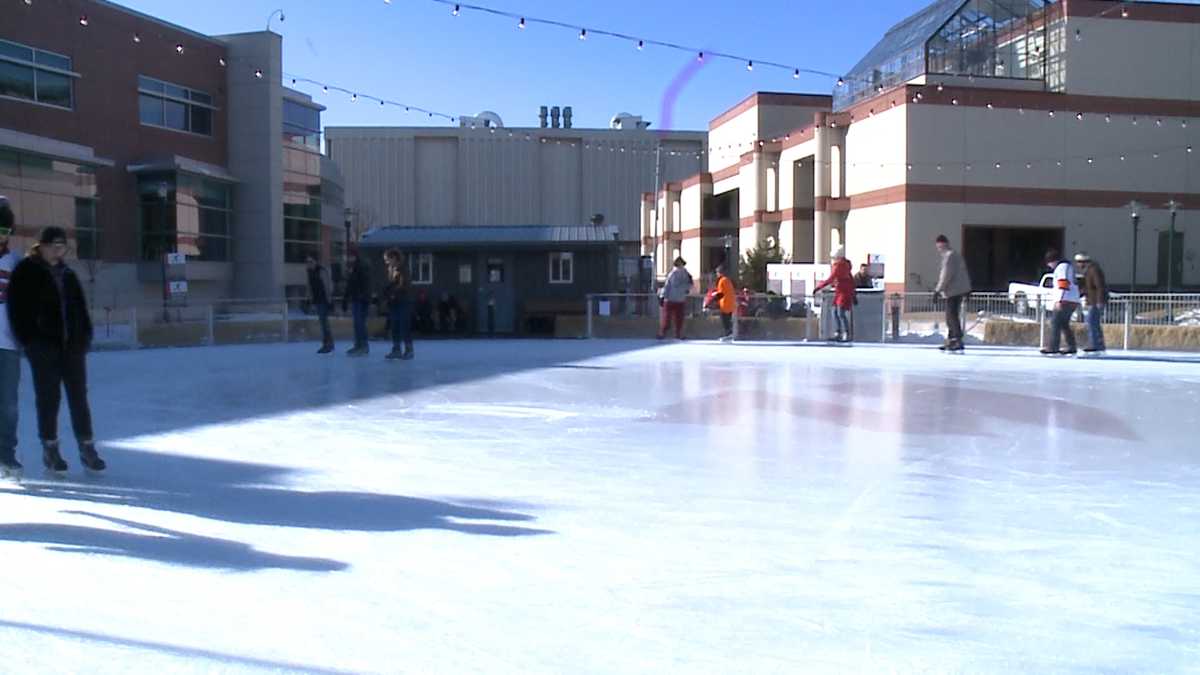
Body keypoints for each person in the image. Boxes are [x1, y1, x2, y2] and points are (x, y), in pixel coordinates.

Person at [6, 226, 105, 473]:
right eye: (54, 245)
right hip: (43, 348)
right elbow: (17, 310)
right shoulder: (26, 271)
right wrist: (31, 341)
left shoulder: (68, 274)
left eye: (62, 246)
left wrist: (83, 338)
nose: (58, 250)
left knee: (78, 397)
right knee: (49, 398)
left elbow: (80, 310)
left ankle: (87, 447)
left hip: (71, 347)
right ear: (42, 246)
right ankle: (50, 449)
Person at [0, 197, 22, 477]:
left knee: (8, 403)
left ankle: (6, 454)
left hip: (8, 342)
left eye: (3, 231)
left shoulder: (16, 262)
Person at [934, 234, 972, 352]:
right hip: (958, 290)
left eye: (939, 247)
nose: (938, 250)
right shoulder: (955, 255)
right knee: (951, 316)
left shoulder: (949, 256)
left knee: (951, 317)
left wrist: (937, 290)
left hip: (954, 291)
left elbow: (946, 275)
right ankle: (951, 340)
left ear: (943, 245)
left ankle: (957, 340)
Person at [1042, 249, 1081, 355]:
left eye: (1049, 263)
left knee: (1055, 322)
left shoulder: (1061, 267)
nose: (1049, 266)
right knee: (1064, 324)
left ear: (1053, 260)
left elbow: (1063, 284)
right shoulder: (1067, 266)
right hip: (1072, 299)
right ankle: (1071, 346)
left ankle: (1053, 347)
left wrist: (1059, 300)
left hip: (1065, 300)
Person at [814, 247, 857, 343]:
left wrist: (818, 287)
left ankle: (844, 333)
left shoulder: (839, 266)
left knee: (839, 313)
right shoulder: (846, 266)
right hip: (842, 292)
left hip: (842, 292)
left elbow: (831, 278)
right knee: (836, 312)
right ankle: (841, 332)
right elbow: (851, 281)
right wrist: (853, 294)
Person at [382, 249, 414, 360]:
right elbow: (390, 285)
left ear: (394, 258)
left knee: (404, 325)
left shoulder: (403, 270)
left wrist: (393, 293)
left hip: (403, 301)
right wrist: (387, 294)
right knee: (395, 325)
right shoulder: (391, 269)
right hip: (394, 302)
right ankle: (396, 349)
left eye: (388, 259)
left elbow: (403, 285)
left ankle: (409, 350)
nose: (386, 262)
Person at [1075, 253, 1108, 354]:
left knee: (1091, 323)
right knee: (1094, 323)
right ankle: (1098, 344)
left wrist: (1099, 301)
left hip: (1094, 302)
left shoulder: (1093, 270)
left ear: (1083, 262)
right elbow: (1089, 287)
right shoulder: (1089, 270)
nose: (1077, 265)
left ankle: (1094, 344)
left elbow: (1099, 286)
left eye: (1078, 262)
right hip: (1092, 301)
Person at [341, 249, 371, 356]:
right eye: (348, 256)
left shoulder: (361, 267)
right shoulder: (352, 268)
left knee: (360, 323)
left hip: (362, 299)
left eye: (351, 256)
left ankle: (363, 345)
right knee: (357, 324)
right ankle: (358, 345)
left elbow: (366, 283)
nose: (349, 258)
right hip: (355, 299)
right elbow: (349, 286)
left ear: (355, 256)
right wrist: (345, 299)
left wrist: (363, 295)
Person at [657, 257, 692, 340]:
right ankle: (663, 332)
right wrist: (663, 296)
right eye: (681, 264)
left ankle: (677, 333)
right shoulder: (673, 274)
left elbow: (689, 285)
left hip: (678, 299)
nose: (682, 266)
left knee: (678, 318)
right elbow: (667, 286)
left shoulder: (685, 273)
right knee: (667, 318)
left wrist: (687, 288)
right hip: (671, 299)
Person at [305, 255, 334, 354]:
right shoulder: (309, 272)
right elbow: (309, 287)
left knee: (324, 323)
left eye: (311, 261)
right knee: (323, 323)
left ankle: (328, 344)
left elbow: (328, 286)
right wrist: (308, 299)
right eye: (308, 262)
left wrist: (329, 300)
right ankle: (328, 343)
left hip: (323, 300)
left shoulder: (321, 271)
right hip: (317, 300)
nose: (309, 264)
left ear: (316, 262)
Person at [712, 265, 736, 342]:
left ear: (720, 273)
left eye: (717, 272)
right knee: (728, 320)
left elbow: (721, 293)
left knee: (725, 320)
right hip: (730, 303)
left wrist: (713, 300)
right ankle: (729, 334)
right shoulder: (728, 280)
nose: (716, 274)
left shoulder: (722, 281)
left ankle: (728, 335)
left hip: (725, 304)